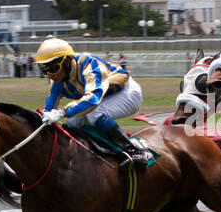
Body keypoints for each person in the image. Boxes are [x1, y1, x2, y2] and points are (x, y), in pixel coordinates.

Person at [36, 37, 152, 169]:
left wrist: (62, 112)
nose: (50, 75)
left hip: (127, 93)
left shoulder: (88, 63)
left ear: (67, 61)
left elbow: (93, 99)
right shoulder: (57, 79)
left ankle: (135, 151)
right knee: (72, 123)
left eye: (54, 68)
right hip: (105, 97)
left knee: (94, 114)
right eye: (45, 70)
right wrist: (44, 116)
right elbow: (52, 100)